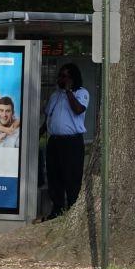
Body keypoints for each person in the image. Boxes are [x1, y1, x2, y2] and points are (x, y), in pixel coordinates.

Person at [42, 64, 89, 219]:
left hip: (72, 143)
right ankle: (57, 209)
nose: (62, 79)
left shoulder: (81, 93)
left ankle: (73, 210)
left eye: (66, 76)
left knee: (72, 176)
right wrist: (39, 134)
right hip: (55, 142)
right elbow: (48, 115)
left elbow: (78, 110)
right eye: (61, 75)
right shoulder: (56, 95)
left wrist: (69, 91)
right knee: (54, 176)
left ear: (73, 78)